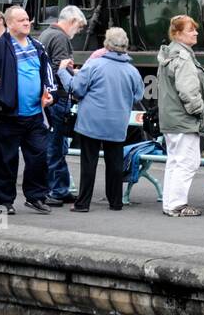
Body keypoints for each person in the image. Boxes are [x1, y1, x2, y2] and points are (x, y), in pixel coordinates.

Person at [57, 27, 142, 213]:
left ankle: (83, 203)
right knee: (115, 163)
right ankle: (115, 202)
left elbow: (76, 89)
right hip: (117, 123)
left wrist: (63, 71)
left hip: (91, 123)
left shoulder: (94, 65)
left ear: (107, 44)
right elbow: (137, 96)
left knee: (89, 163)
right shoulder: (132, 70)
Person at [0, 6, 56, 215]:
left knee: (39, 157)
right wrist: (1, 100)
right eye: (22, 20)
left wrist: (50, 95)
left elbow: (47, 75)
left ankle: (35, 196)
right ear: (9, 23)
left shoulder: (38, 46)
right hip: (8, 114)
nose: (27, 23)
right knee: (6, 160)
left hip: (35, 114)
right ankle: (4, 201)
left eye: (28, 19)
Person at [156, 15, 204, 216]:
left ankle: (169, 204)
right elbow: (188, 90)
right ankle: (177, 204)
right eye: (191, 30)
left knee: (175, 161)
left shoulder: (169, 54)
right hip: (183, 119)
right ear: (178, 33)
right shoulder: (183, 57)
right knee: (188, 162)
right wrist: (199, 111)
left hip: (172, 117)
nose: (196, 32)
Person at [38, 5, 88, 206]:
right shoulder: (60, 38)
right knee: (56, 146)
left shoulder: (46, 34)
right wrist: (75, 78)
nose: (78, 32)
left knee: (55, 145)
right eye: (79, 27)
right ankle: (57, 190)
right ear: (72, 21)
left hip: (49, 98)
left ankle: (61, 187)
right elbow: (59, 69)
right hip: (57, 98)